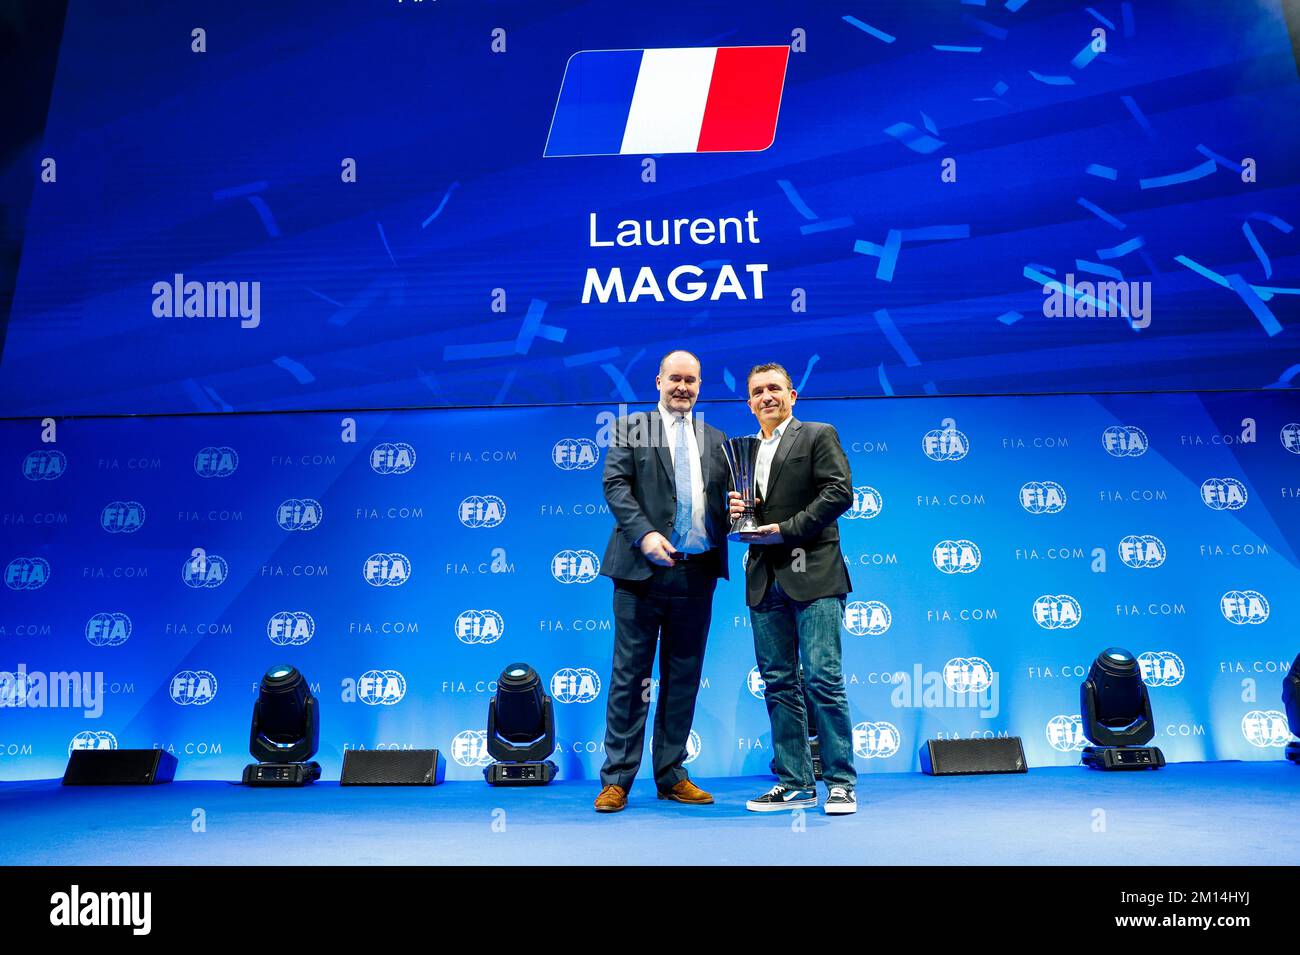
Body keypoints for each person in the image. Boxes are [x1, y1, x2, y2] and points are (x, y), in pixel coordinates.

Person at [594, 349, 730, 812]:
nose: (682, 388)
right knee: (630, 678)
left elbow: (727, 501)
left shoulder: (716, 439)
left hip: (696, 574)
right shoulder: (631, 429)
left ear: (699, 385)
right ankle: (617, 780)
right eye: (675, 379)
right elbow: (615, 485)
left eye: (691, 381)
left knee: (683, 677)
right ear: (658, 382)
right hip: (639, 574)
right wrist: (646, 534)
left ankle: (671, 774)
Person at [730, 362, 858, 814]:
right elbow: (743, 517)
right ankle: (795, 783)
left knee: (822, 679)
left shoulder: (818, 434)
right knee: (779, 684)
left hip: (816, 575)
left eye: (774, 389)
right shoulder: (742, 454)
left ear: (792, 395)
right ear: (749, 402)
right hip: (764, 579)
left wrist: (785, 530)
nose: (766, 396)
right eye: (758, 391)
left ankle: (840, 783)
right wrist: (736, 512)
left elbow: (840, 492)